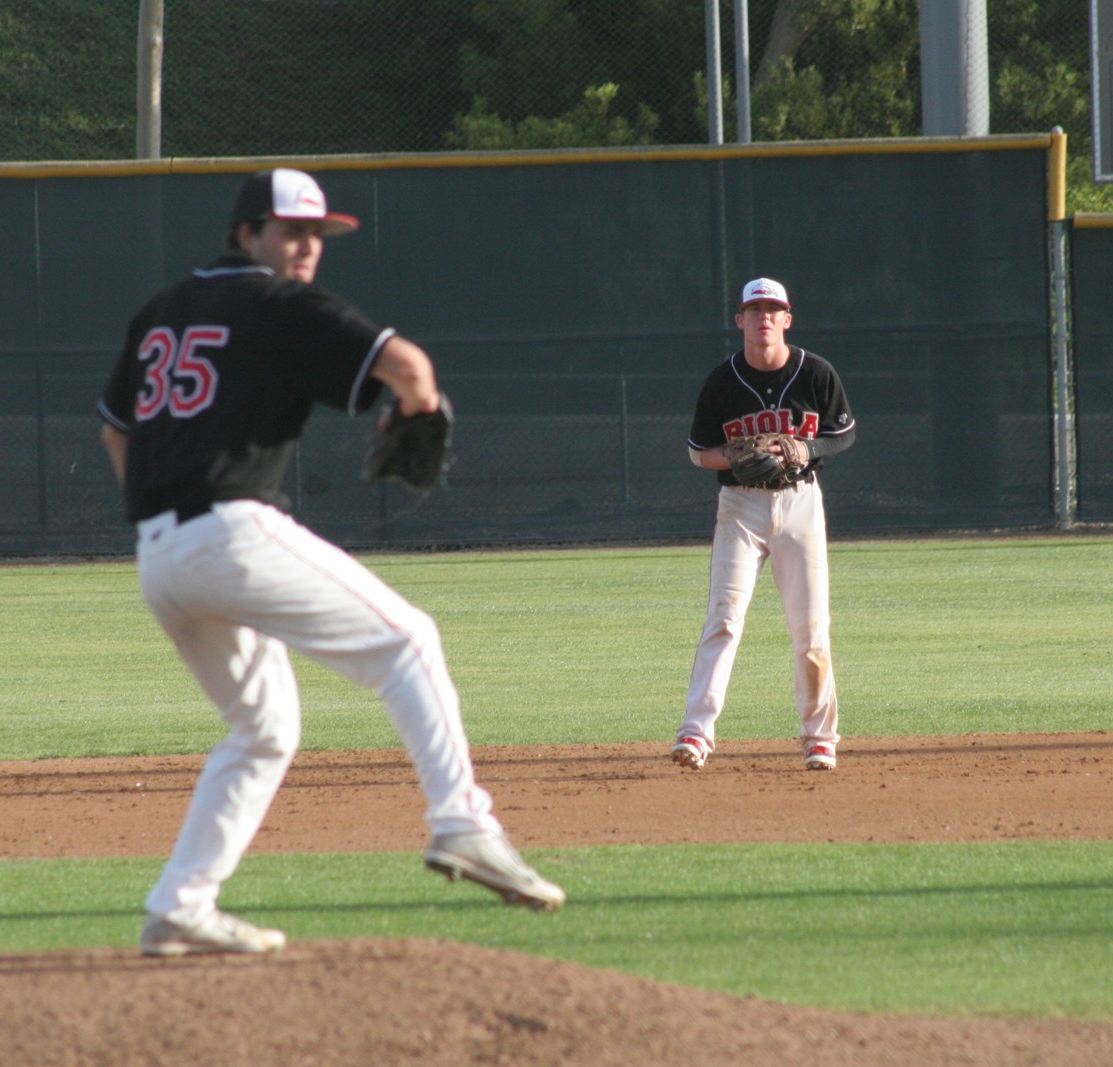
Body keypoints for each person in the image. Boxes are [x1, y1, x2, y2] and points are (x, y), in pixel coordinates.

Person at [97, 167, 564, 957]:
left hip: (159, 555)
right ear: (248, 234)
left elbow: (116, 430)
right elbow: (410, 368)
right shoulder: (281, 303)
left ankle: (182, 903)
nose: (308, 248)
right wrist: (418, 410)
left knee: (265, 727)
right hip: (230, 530)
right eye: (292, 232)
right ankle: (463, 823)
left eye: (318, 235)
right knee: (409, 640)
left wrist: (157, 512)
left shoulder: (162, 310)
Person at [672, 278, 856, 772]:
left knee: (811, 629)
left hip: (799, 504)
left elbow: (842, 434)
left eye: (774, 309)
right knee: (724, 620)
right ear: (740, 320)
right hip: (740, 507)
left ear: (787, 318)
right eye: (755, 310)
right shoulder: (721, 382)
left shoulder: (816, 372)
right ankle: (695, 733)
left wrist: (807, 448)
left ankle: (820, 738)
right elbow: (697, 454)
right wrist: (732, 454)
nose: (764, 318)